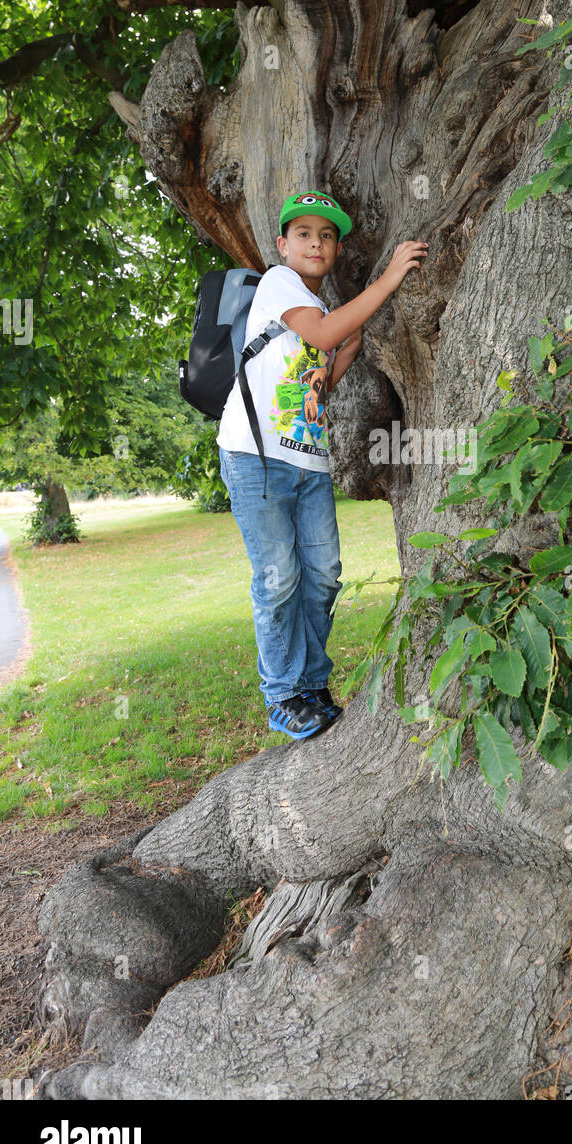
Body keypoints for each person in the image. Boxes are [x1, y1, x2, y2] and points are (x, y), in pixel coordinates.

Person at [217, 189, 428, 741]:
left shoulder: (318, 310)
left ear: (335, 249)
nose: (317, 243)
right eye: (305, 234)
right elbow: (322, 333)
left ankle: (310, 683)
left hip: (307, 462)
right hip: (254, 455)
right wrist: (386, 284)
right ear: (284, 244)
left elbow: (316, 388)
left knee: (321, 576)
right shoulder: (278, 283)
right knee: (278, 577)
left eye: (327, 235)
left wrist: (347, 353)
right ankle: (283, 695)